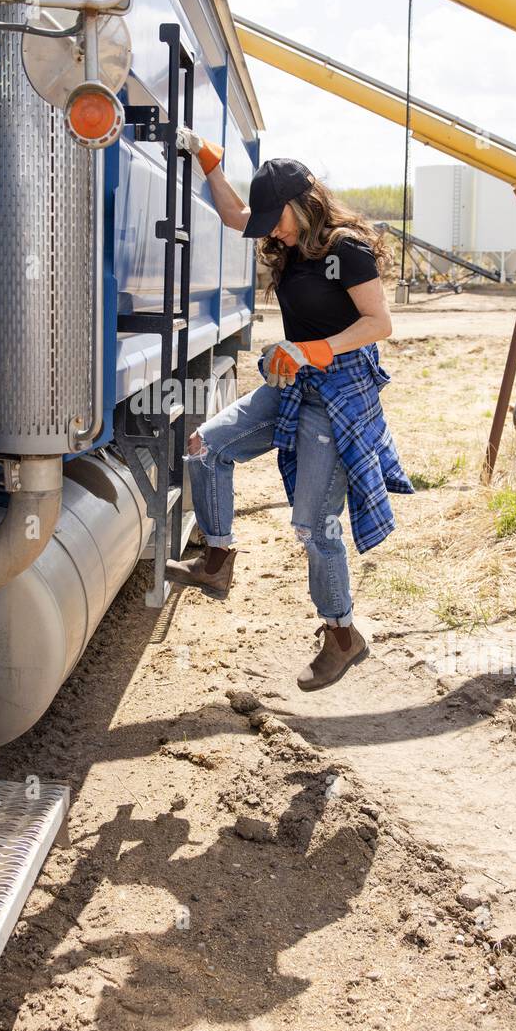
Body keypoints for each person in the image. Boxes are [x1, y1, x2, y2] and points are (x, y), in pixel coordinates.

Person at [164, 129, 413, 691]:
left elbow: (380, 324)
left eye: (279, 218)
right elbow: (234, 214)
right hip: (295, 377)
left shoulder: (346, 248)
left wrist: (313, 349)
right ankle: (217, 559)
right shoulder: (287, 240)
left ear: (305, 204)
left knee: (314, 524)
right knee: (206, 447)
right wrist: (208, 160)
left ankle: (342, 635)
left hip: (340, 386)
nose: (271, 229)